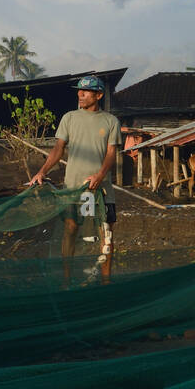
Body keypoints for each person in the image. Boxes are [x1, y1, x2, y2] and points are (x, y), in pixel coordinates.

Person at [28, 75, 121, 283]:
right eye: (79, 91)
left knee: (106, 233)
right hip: (73, 187)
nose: (80, 94)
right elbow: (58, 149)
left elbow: (111, 153)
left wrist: (99, 175)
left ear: (98, 95)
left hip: (101, 189)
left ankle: (106, 282)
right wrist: (42, 171)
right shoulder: (69, 118)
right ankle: (66, 280)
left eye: (85, 92)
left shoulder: (111, 121)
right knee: (70, 229)